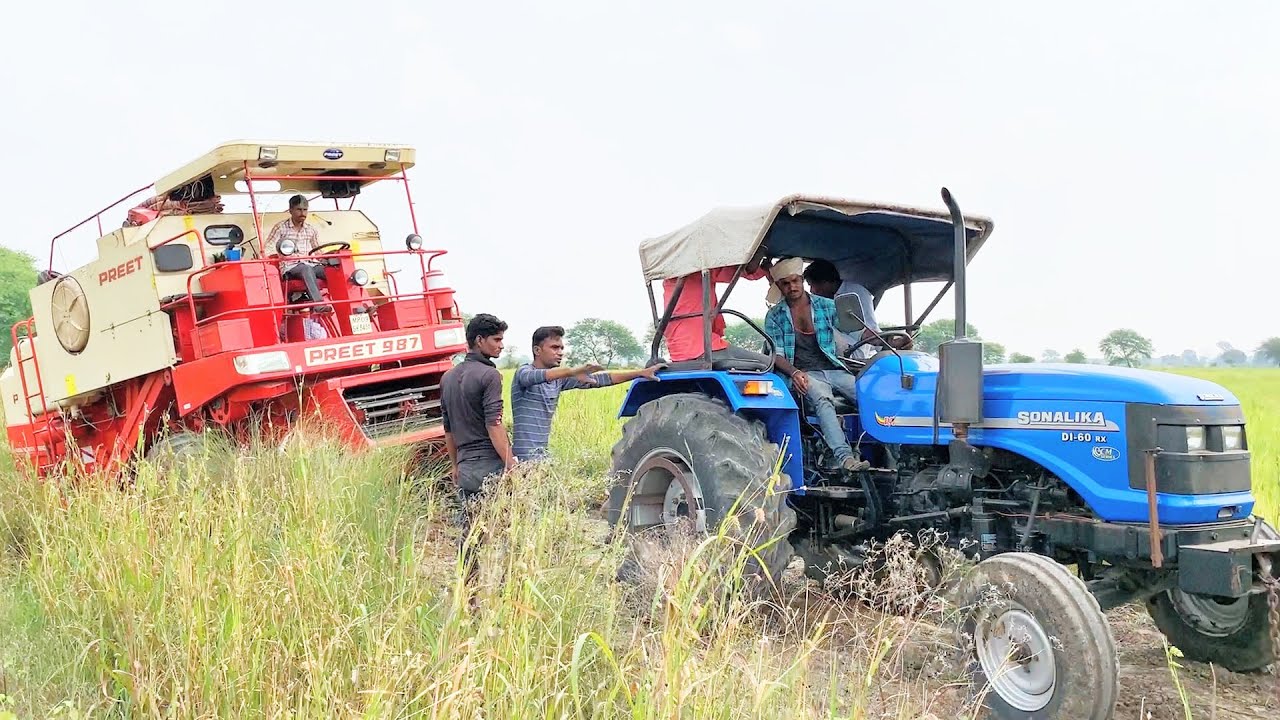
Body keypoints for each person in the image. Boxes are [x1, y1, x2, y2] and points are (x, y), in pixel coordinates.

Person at [764, 258, 868, 473]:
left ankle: (894, 452)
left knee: (868, 395)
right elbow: (777, 354)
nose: (792, 287)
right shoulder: (775, 316)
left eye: (795, 281)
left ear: (802, 281)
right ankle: (845, 458)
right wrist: (794, 373)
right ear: (779, 287)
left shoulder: (827, 306)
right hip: (805, 373)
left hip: (833, 369)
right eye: (785, 283)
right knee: (822, 398)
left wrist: (886, 340)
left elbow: (856, 331)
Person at [511, 326, 666, 462]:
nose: (560, 353)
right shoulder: (524, 372)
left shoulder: (558, 380)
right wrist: (573, 370)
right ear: (537, 350)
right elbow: (532, 378)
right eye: (554, 348)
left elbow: (603, 379)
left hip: (542, 455)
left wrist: (640, 373)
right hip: (522, 457)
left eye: (561, 348)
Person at [440, 313, 516, 589]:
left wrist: (455, 464)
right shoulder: (489, 375)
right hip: (490, 466)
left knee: (470, 536)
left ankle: (469, 596)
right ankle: (509, 593)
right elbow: (494, 424)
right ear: (479, 340)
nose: (501, 346)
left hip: (466, 467)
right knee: (509, 531)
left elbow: (448, 429)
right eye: (496, 340)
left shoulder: (448, 378)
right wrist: (511, 464)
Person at [659, 249, 773, 363]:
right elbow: (746, 270)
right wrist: (763, 253)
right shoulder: (699, 269)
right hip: (703, 348)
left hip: (678, 353)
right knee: (769, 364)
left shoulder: (669, 280)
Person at [800, 258, 912, 359]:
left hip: (856, 350)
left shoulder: (853, 294)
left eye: (812, 285)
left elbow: (862, 329)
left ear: (826, 283)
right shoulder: (826, 301)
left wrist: (888, 342)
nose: (812, 291)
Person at [266, 194, 328, 308]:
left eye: (305, 210)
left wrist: (326, 260)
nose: (303, 213)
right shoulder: (280, 227)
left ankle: (346, 304)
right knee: (306, 269)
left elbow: (318, 250)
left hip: (310, 263)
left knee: (332, 270)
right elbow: (268, 247)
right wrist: (279, 256)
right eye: (299, 209)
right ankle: (319, 305)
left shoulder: (311, 229)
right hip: (290, 266)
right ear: (290, 210)